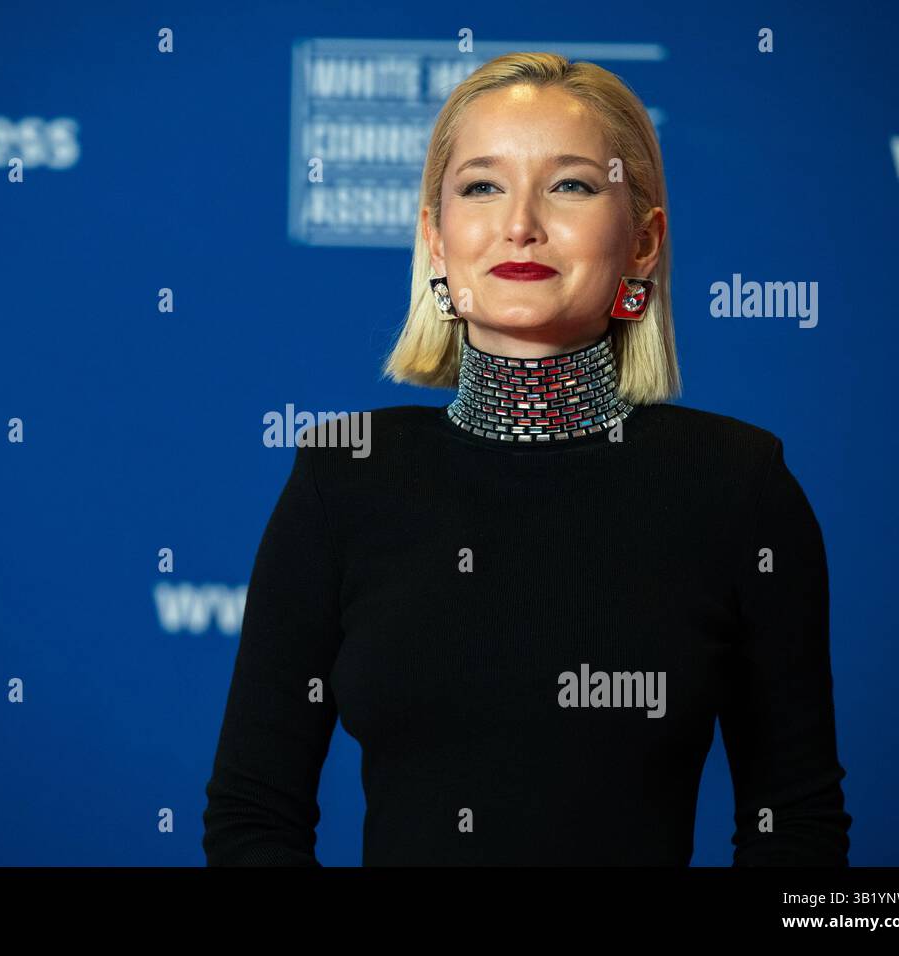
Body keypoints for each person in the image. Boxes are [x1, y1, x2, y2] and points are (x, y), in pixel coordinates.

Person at [202, 51, 851, 866]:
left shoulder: (739, 485)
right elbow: (253, 816)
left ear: (644, 243)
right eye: (481, 186)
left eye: (571, 185)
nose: (520, 225)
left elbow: (796, 825)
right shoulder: (344, 473)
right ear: (437, 239)